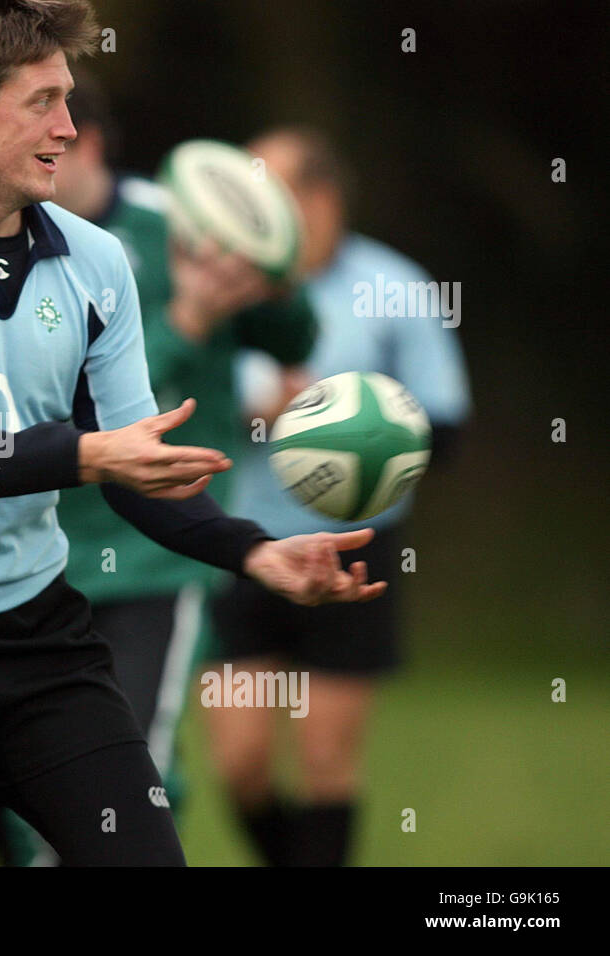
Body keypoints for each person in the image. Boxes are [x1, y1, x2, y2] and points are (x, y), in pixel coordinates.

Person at [0, 0, 384, 867]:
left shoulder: (97, 262)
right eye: (42, 102)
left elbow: (136, 466)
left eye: (68, 100)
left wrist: (256, 552)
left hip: (31, 631)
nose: (70, 128)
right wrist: (85, 451)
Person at [2, 73, 318, 865]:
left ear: (91, 142)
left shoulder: (181, 223)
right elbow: (79, 402)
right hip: (33, 554)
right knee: (22, 777)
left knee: (130, 769)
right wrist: (188, 319)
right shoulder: (10, 243)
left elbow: (294, 333)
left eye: (51, 141)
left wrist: (265, 271)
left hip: (159, 554)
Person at [206, 126, 471, 866]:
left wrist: (352, 426)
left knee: (324, 759)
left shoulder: (397, 285)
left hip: (352, 550)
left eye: (267, 188)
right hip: (239, 546)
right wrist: (257, 415)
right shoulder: (223, 287)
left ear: (316, 198)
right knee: (242, 765)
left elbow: (447, 429)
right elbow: (174, 411)